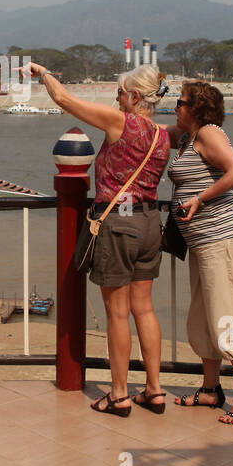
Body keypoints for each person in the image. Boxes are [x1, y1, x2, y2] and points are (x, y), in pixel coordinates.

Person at [22, 61, 171, 415]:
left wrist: (43, 73)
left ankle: (119, 393)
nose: (116, 98)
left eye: (120, 93)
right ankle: (154, 389)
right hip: (151, 222)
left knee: (117, 313)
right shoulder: (164, 134)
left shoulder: (122, 122)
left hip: (118, 224)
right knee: (145, 309)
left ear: (135, 96)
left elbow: (65, 100)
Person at [163, 81, 233, 424]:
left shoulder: (209, 133)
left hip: (219, 237)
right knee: (204, 312)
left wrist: (199, 199)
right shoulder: (187, 136)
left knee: (226, 310)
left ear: (198, 108)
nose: (175, 106)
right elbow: (150, 129)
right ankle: (210, 389)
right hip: (202, 241)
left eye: (181, 102)